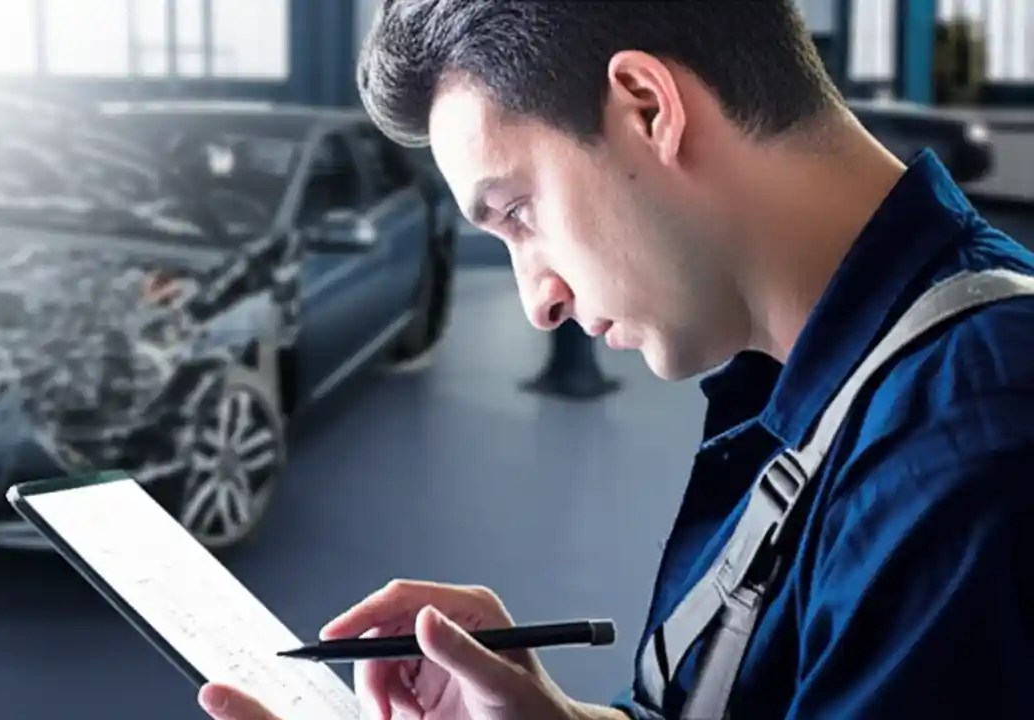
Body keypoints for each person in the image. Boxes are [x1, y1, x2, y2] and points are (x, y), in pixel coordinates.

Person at [198, 1, 1034, 718]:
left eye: (518, 211)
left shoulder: (967, 448)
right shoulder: (846, 379)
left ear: (646, 106)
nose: (540, 300)